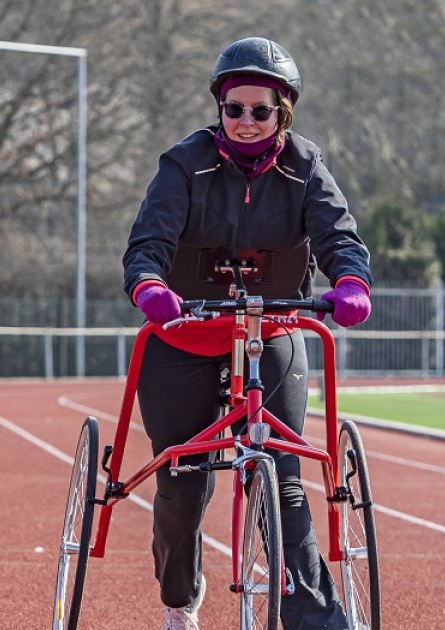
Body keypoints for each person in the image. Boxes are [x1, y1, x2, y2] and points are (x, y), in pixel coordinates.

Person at [122, 37, 372, 630]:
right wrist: (151, 287)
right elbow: (147, 245)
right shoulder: (184, 165)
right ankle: (180, 598)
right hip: (186, 335)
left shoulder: (305, 167)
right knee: (183, 482)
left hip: (272, 329)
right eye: (235, 109)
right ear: (220, 108)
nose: (246, 122)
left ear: (281, 113)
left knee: (286, 480)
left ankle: (316, 620)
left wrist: (352, 281)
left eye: (261, 111)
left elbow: (339, 238)